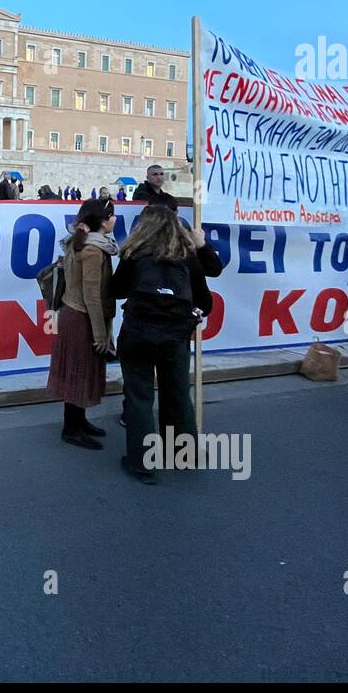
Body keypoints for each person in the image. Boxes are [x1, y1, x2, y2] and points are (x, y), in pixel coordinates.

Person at [111, 205, 224, 483]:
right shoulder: (187, 256)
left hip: (138, 332)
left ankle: (142, 463)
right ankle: (182, 456)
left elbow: (115, 290)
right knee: (177, 395)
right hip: (174, 336)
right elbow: (205, 301)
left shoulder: (134, 253)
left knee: (139, 397)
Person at [47, 197, 119, 450]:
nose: (115, 219)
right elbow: (92, 295)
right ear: (102, 221)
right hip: (82, 318)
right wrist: (101, 334)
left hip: (73, 313)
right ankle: (72, 428)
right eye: (112, 216)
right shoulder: (93, 250)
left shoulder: (81, 243)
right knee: (78, 373)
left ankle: (78, 422)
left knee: (77, 372)